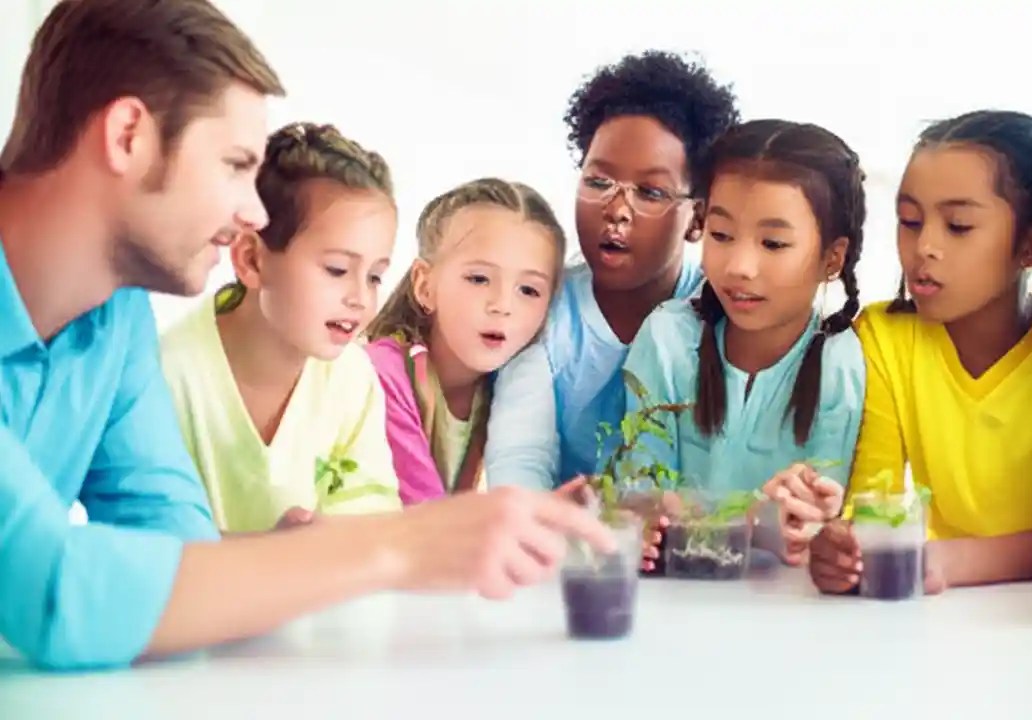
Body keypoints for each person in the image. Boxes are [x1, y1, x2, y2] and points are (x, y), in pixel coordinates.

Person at [0, 0, 611, 672]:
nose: (253, 211)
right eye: (235, 165)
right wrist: (401, 545)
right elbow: (53, 590)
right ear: (127, 137)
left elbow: (179, 546)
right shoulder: (170, 351)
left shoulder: (113, 323)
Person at [793, 111, 1032, 590]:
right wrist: (844, 544)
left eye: (958, 226)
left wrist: (954, 562)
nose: (925, 248)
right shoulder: (884, 336)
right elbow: (871, 499)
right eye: (910, 221)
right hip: (935, 616)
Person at [485, 51, 741, 489]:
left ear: (699, 219)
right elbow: (518, 460)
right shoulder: (541, 307)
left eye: (651, 192)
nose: (617, 210)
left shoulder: (727, 315)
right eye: (599, 182)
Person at [622, 119, 866, 562]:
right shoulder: (667, 340)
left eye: (773, 243)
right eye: (721, 235)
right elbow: (639, 496)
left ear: (833, 256)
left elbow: (812, 524)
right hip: (671, 602)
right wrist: (754, 517)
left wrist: (790, 516)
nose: (739, 266)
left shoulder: (840, 362)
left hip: (786, 611)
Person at [162, 122, 402, 532]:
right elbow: (150, 537)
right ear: (253, 260)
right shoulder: (168, 374)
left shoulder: (353, 379)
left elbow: (373, 509)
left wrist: (331, 535)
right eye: (337, 269)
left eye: (375, 277)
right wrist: (272, 555)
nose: (360, 297)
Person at [365, 179, 565, 503]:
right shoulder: (380, 375)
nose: (502, 305)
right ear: (424, 286)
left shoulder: (506, 393)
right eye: (479, 279)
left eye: (528, 290)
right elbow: (429, 521)